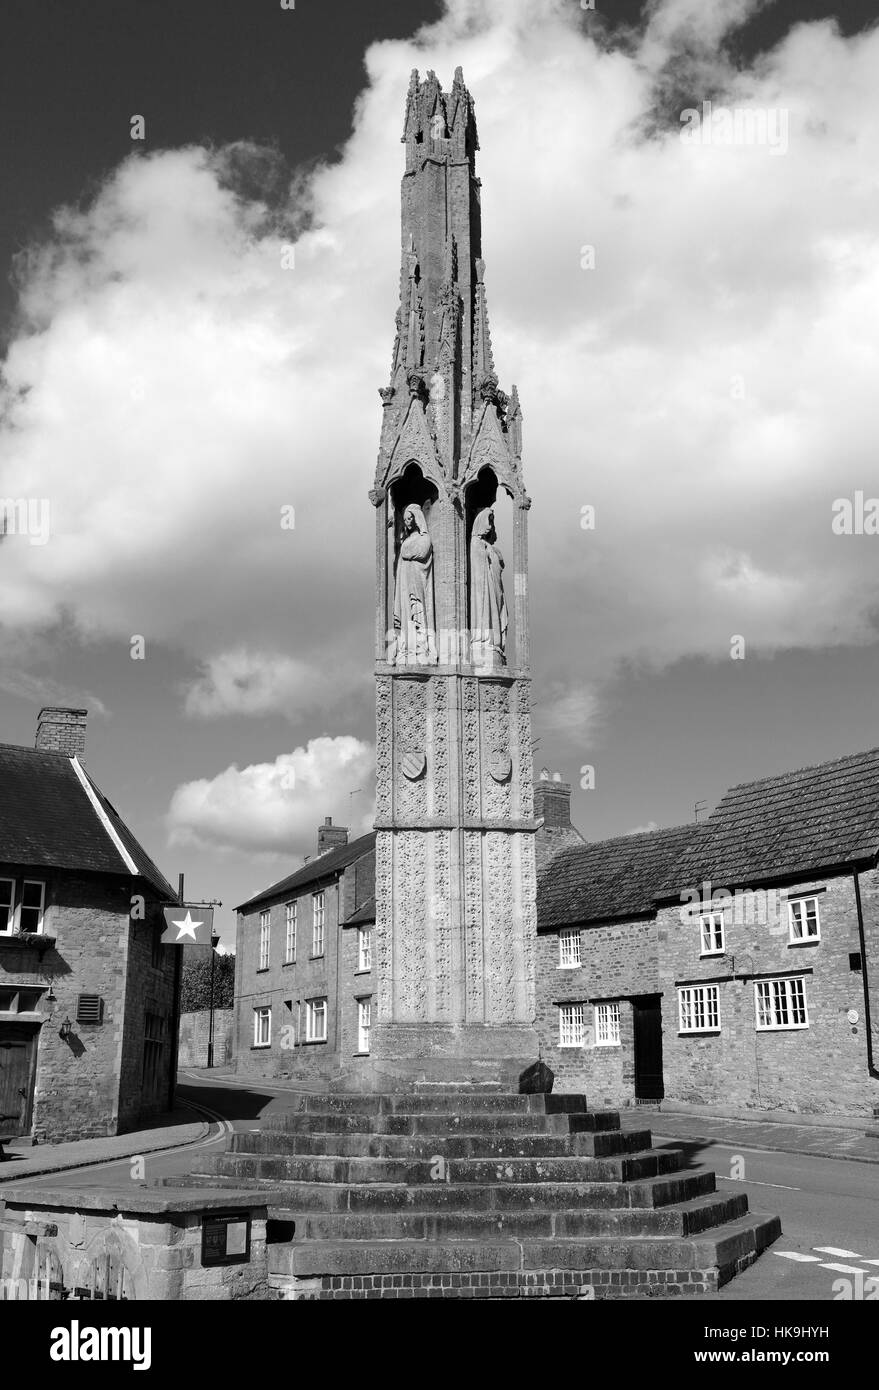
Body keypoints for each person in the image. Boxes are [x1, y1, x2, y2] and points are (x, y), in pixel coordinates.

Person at [392, 503, 437, 664]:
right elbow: (404, 553)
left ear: (417, 518)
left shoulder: (424, 538)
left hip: (416, 581)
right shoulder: (408, 539)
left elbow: (421, 552)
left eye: (410, 518)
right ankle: (407, 647)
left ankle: (420, 646)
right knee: (406, 614)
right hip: (405, 582)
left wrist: (406, 552)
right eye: (405, 519)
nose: (407, 522)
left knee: (417, 610)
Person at [470, 506, 507, 666]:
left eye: (492, 522)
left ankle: (493, 641)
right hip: (482, 586)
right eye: (488, 521)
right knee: (483, 608)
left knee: (494, 610)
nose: (490, 526)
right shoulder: (476, 543)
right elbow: (478, 568)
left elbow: (498, 567)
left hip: (493, 586)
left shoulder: (489, 546)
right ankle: (483, 639)